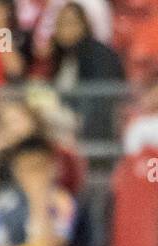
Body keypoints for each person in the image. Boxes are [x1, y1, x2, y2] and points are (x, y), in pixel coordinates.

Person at [44, 1, 124, 142]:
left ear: (84, 25)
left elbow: (99, 100)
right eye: (59, 24)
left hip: (90, 131)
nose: (63, 29)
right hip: (62, 126)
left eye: (70, 23)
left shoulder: (99, 55)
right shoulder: (61, 56)